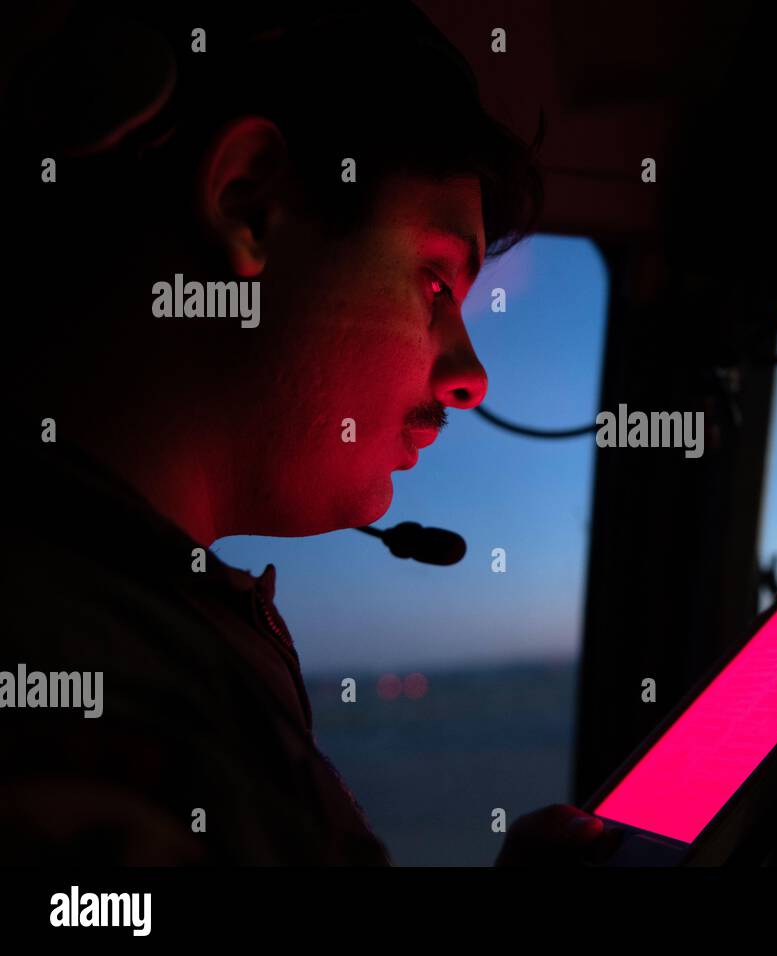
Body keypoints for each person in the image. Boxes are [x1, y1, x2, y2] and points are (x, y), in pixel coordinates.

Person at [0, 0, 615, 866]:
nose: (470, 380)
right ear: (248, 203)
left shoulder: (160, 623)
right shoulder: (91, 697)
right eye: (437, 283)